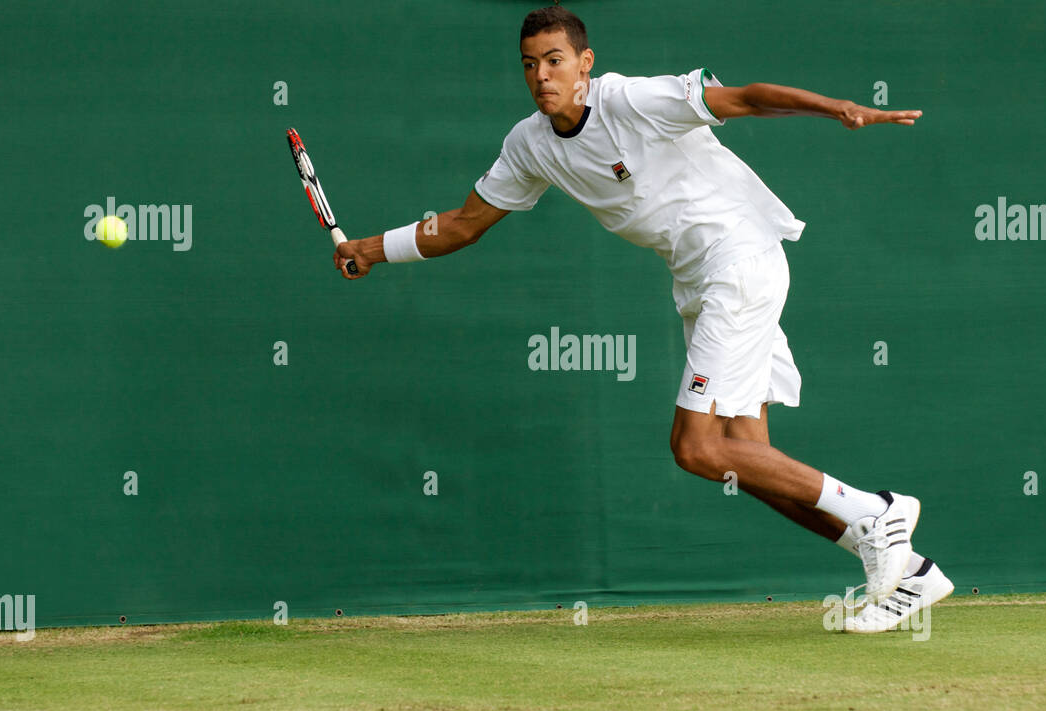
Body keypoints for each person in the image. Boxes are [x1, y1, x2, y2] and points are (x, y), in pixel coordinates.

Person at [332, 5, 952, 632]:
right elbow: (464, 224)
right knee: (745, 457)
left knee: (696, 448)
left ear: (584, 63)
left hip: (737, 261)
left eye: (554, 60)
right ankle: (913, 572)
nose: (542, 76)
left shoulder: (630, 100)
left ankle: (877, 510)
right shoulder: (529, 144)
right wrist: (373, 248)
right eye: (529, 65)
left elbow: (744, 98)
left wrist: (836, 106)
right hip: (700, 280)